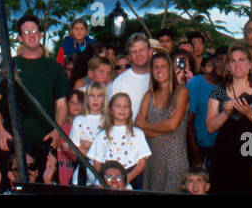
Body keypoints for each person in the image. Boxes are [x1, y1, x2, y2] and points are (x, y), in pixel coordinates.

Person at [0, 14, 69, 164]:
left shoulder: (55, 68)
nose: (31, 36)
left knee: (45, 185)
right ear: (20, 38)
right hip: (13, 141)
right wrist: (0, 131)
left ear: (41, 35)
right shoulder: (9, 65)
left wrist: (57, 131)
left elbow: (61, 104)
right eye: (26, 33)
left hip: (44, 141)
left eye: (34, 31)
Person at [206, 44, 252, 195]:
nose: (237, 64)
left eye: (242, 60)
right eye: (233, 60)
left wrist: (249, 114)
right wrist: (225, 113)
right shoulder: (218, 90)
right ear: (228, 66)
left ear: (250, 64)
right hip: (225, 155)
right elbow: (210, 127)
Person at [135, 50, 190, 193]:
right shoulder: (149, 95)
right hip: (152, 160)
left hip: (175, 159)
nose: (159, 70)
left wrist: (148, 126)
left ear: (170, 68)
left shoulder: (181, 92)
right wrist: (160, 128)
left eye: (163, 66)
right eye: (155, 67)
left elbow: (172, 125)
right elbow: (138, 129)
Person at [85, 92, 150, 186]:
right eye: (118, 106)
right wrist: (107, 180)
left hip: (129, 179)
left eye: (126, 106)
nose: (122, 109)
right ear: (111, 110)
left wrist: (127, 179)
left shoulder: (137, 134)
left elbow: (142, 163)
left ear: (130, 110)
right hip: (107, 180)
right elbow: (97, 163)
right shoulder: (102, 135)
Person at [186, 48, 223, 169]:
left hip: (223, 149)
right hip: (200, 147)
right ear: (212, 61)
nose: (223, 65)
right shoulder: (196, 83)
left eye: (227, 61)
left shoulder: (230, 86)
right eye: (220, 60)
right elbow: (189, 122)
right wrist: (197, 156)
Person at [108, 32, 153, 114]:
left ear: (150, 52)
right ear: (129, 57)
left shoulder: (158, 77)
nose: (138, 54)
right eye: (134, 52)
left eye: (141, 50)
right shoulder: (120, 82)